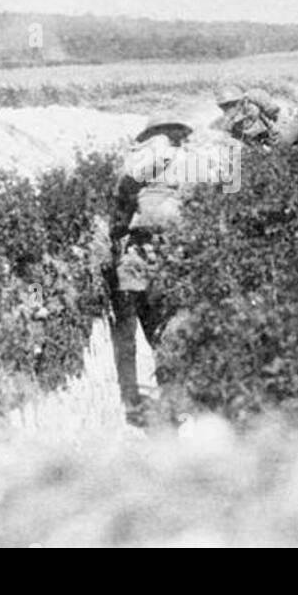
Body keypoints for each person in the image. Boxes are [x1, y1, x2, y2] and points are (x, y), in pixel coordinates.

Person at [108, 113, 193, 425]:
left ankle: (136, 398)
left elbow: (118, 216)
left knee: (143, 328)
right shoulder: (191, 162)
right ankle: (176, 398)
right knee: (175, 328)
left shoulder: (138, 166)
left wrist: (117, 237)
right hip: (178, 256)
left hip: (141, 258)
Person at [213, 85, 289, 148]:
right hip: (257, 140)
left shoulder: (256, 102)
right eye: (224, 106)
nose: (228, 108)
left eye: (232, 104)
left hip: (276, 132)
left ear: (242, 101)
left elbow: (277, 114)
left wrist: (278, 130)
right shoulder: (227, 122)